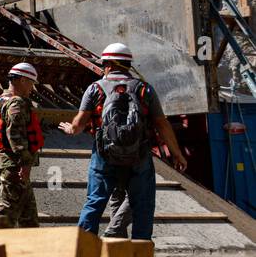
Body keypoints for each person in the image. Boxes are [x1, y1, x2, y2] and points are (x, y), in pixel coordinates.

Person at [58, 43, 187, 240]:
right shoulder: (144, 89)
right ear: (128, 64)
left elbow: (78, 126)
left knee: (95, 202)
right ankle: (140, 255)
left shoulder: (95, 89)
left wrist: (69, 128)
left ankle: (84, 253)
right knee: (142, 204)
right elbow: (162, 124)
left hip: (104, 155)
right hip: (139, 156)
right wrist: (177, 154)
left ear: (108, 64)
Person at [0, 62, 44, 227]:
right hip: (15, 165)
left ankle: (32, 248)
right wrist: (25, 163)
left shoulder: (2, 99)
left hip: (13, 163)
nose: (32, 88)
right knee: (6, 208)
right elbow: (16, 136)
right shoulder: (16, 103)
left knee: (29, 214)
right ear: (21, 80)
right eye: (31, 83)